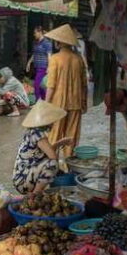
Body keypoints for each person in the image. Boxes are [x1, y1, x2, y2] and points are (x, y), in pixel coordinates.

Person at [45, 24, 88, 158]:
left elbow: (51, 85)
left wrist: (46, 104)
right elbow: (84, 85)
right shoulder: (78, 59)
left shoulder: (55, 59)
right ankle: (69, 164)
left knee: (55, 135)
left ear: (59, 42)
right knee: (71, 136)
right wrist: (84, 102)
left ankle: (52, 163)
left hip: (58, 104)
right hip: (76, 103)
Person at [12, 101, 72, 194]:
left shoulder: (32, 131)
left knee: (52, 165)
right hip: (23, 182)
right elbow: (52, 156)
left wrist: (60, 142)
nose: (53, 123)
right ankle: (34, 195)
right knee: (52, 164)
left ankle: (36, 192)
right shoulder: (38, 134)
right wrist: (60, 143)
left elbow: (47, 151)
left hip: (22, 177)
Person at [26, 25, 53, 100]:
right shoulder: (35, 42)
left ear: (40, 32)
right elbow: (34, 54)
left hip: (43, 67)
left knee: (36, 85)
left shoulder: (47, 43)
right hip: (36, 67)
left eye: (35, 33)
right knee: (41, 85)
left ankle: (38, 101)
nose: (34, 34)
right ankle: (44, 100)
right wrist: (29, 63)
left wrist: (49, 67)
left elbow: (49, 56)